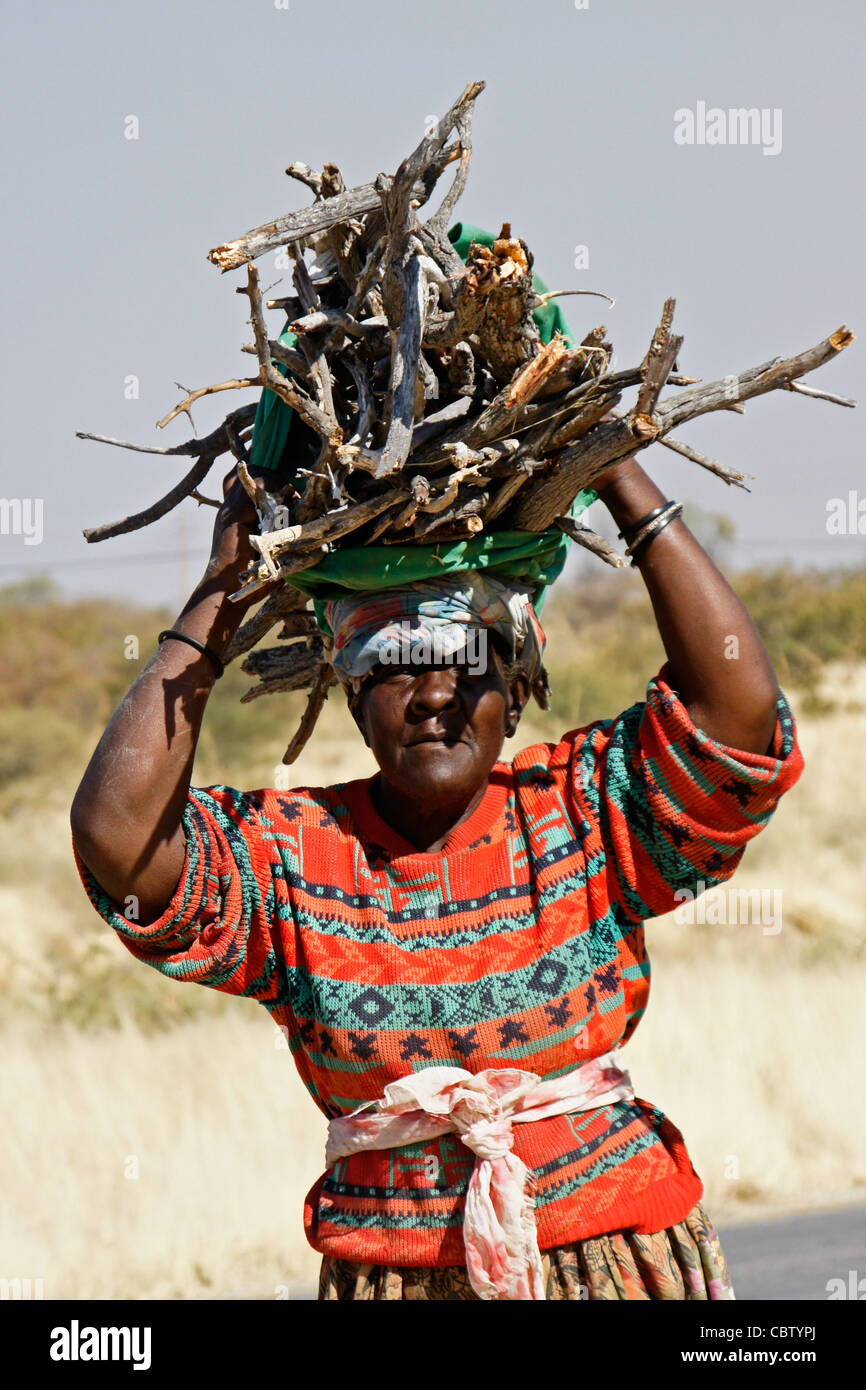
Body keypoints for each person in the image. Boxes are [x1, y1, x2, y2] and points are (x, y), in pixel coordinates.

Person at [70, 450, 804, 1301]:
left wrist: (616, 474)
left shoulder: (576, 811)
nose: (434, 694)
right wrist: (223, 589)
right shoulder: (291, 857)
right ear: (352, 697)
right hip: (398, 1276)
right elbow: (116, 839)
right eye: (395, 663)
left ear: (517, 688)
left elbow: (736, 729)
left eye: (466, 659)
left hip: (614, 1258)